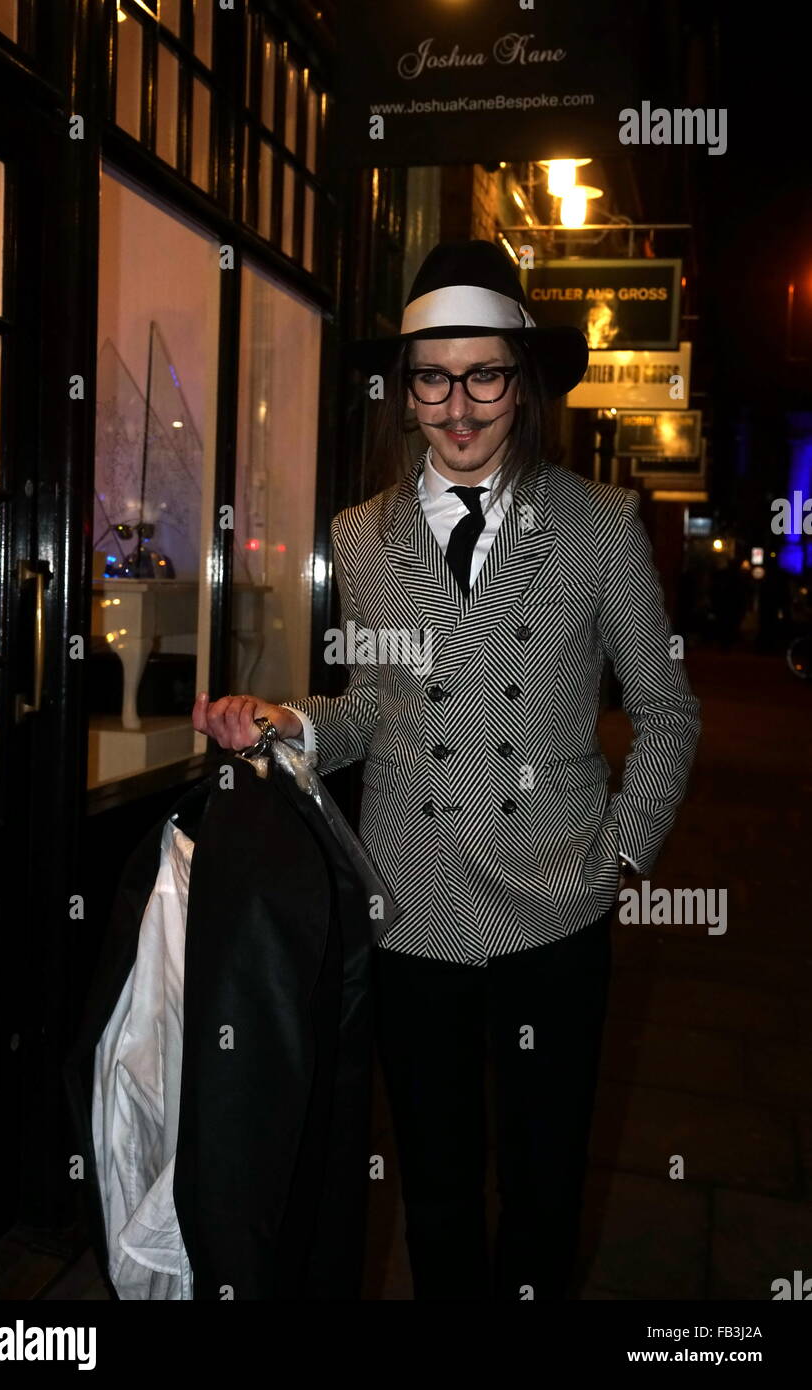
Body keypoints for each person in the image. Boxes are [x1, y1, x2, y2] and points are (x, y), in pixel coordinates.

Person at [192, 239, 701, 1300]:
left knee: (545, 1186)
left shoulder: (601, 525)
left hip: (556, 901)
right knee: (432, 1183)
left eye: (484, 376)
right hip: (412, 895)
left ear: (523, 380)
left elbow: (665, 710)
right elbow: (382, 700)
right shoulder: (360, 536)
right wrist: (289, 720)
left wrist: (621, 853)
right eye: (434, 376)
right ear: (404, 384)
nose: (459, 408)